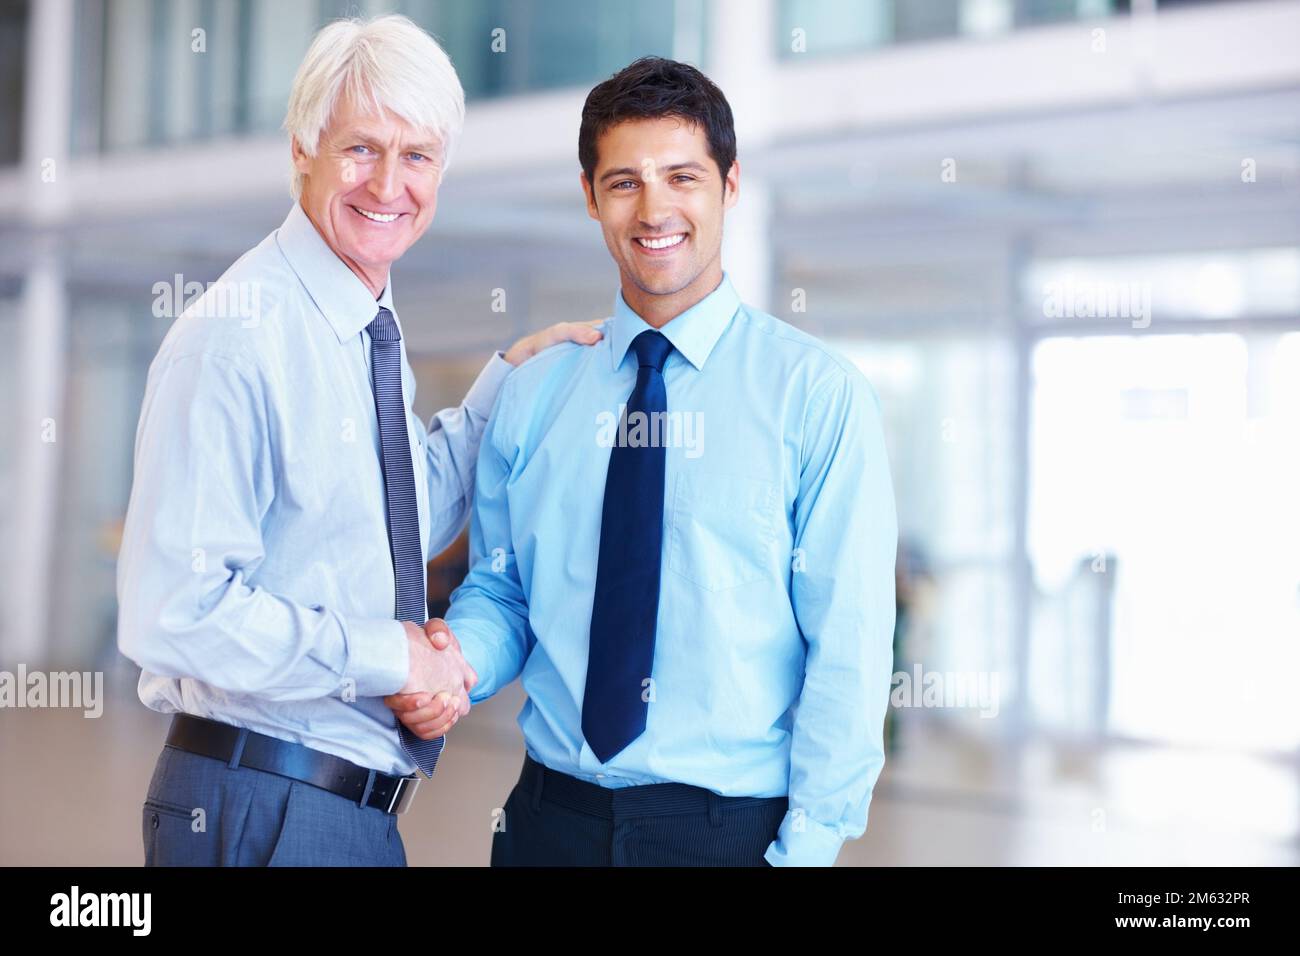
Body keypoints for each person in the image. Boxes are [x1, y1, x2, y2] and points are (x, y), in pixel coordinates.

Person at [387, 57, 898, 867]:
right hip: (547, 821)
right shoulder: (536, 394)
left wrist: (806, 850)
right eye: (624, 182)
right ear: (590, 196)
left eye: (682, 176)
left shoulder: (817, 397)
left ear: (730, 185)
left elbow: (851, 644)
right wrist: (455, 666)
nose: (654, 208)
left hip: (728, 830)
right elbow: (503, 589)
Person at [115, 14, 600, 867]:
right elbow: (173, 612)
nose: (388, 184)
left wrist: (506, 383)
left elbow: (397, 507)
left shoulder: (361, 322)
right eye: (360, 149)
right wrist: (394, 656)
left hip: (341, 813)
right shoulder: (238, 337)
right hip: (267, 805)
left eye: (417, 157)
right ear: (302, 148)